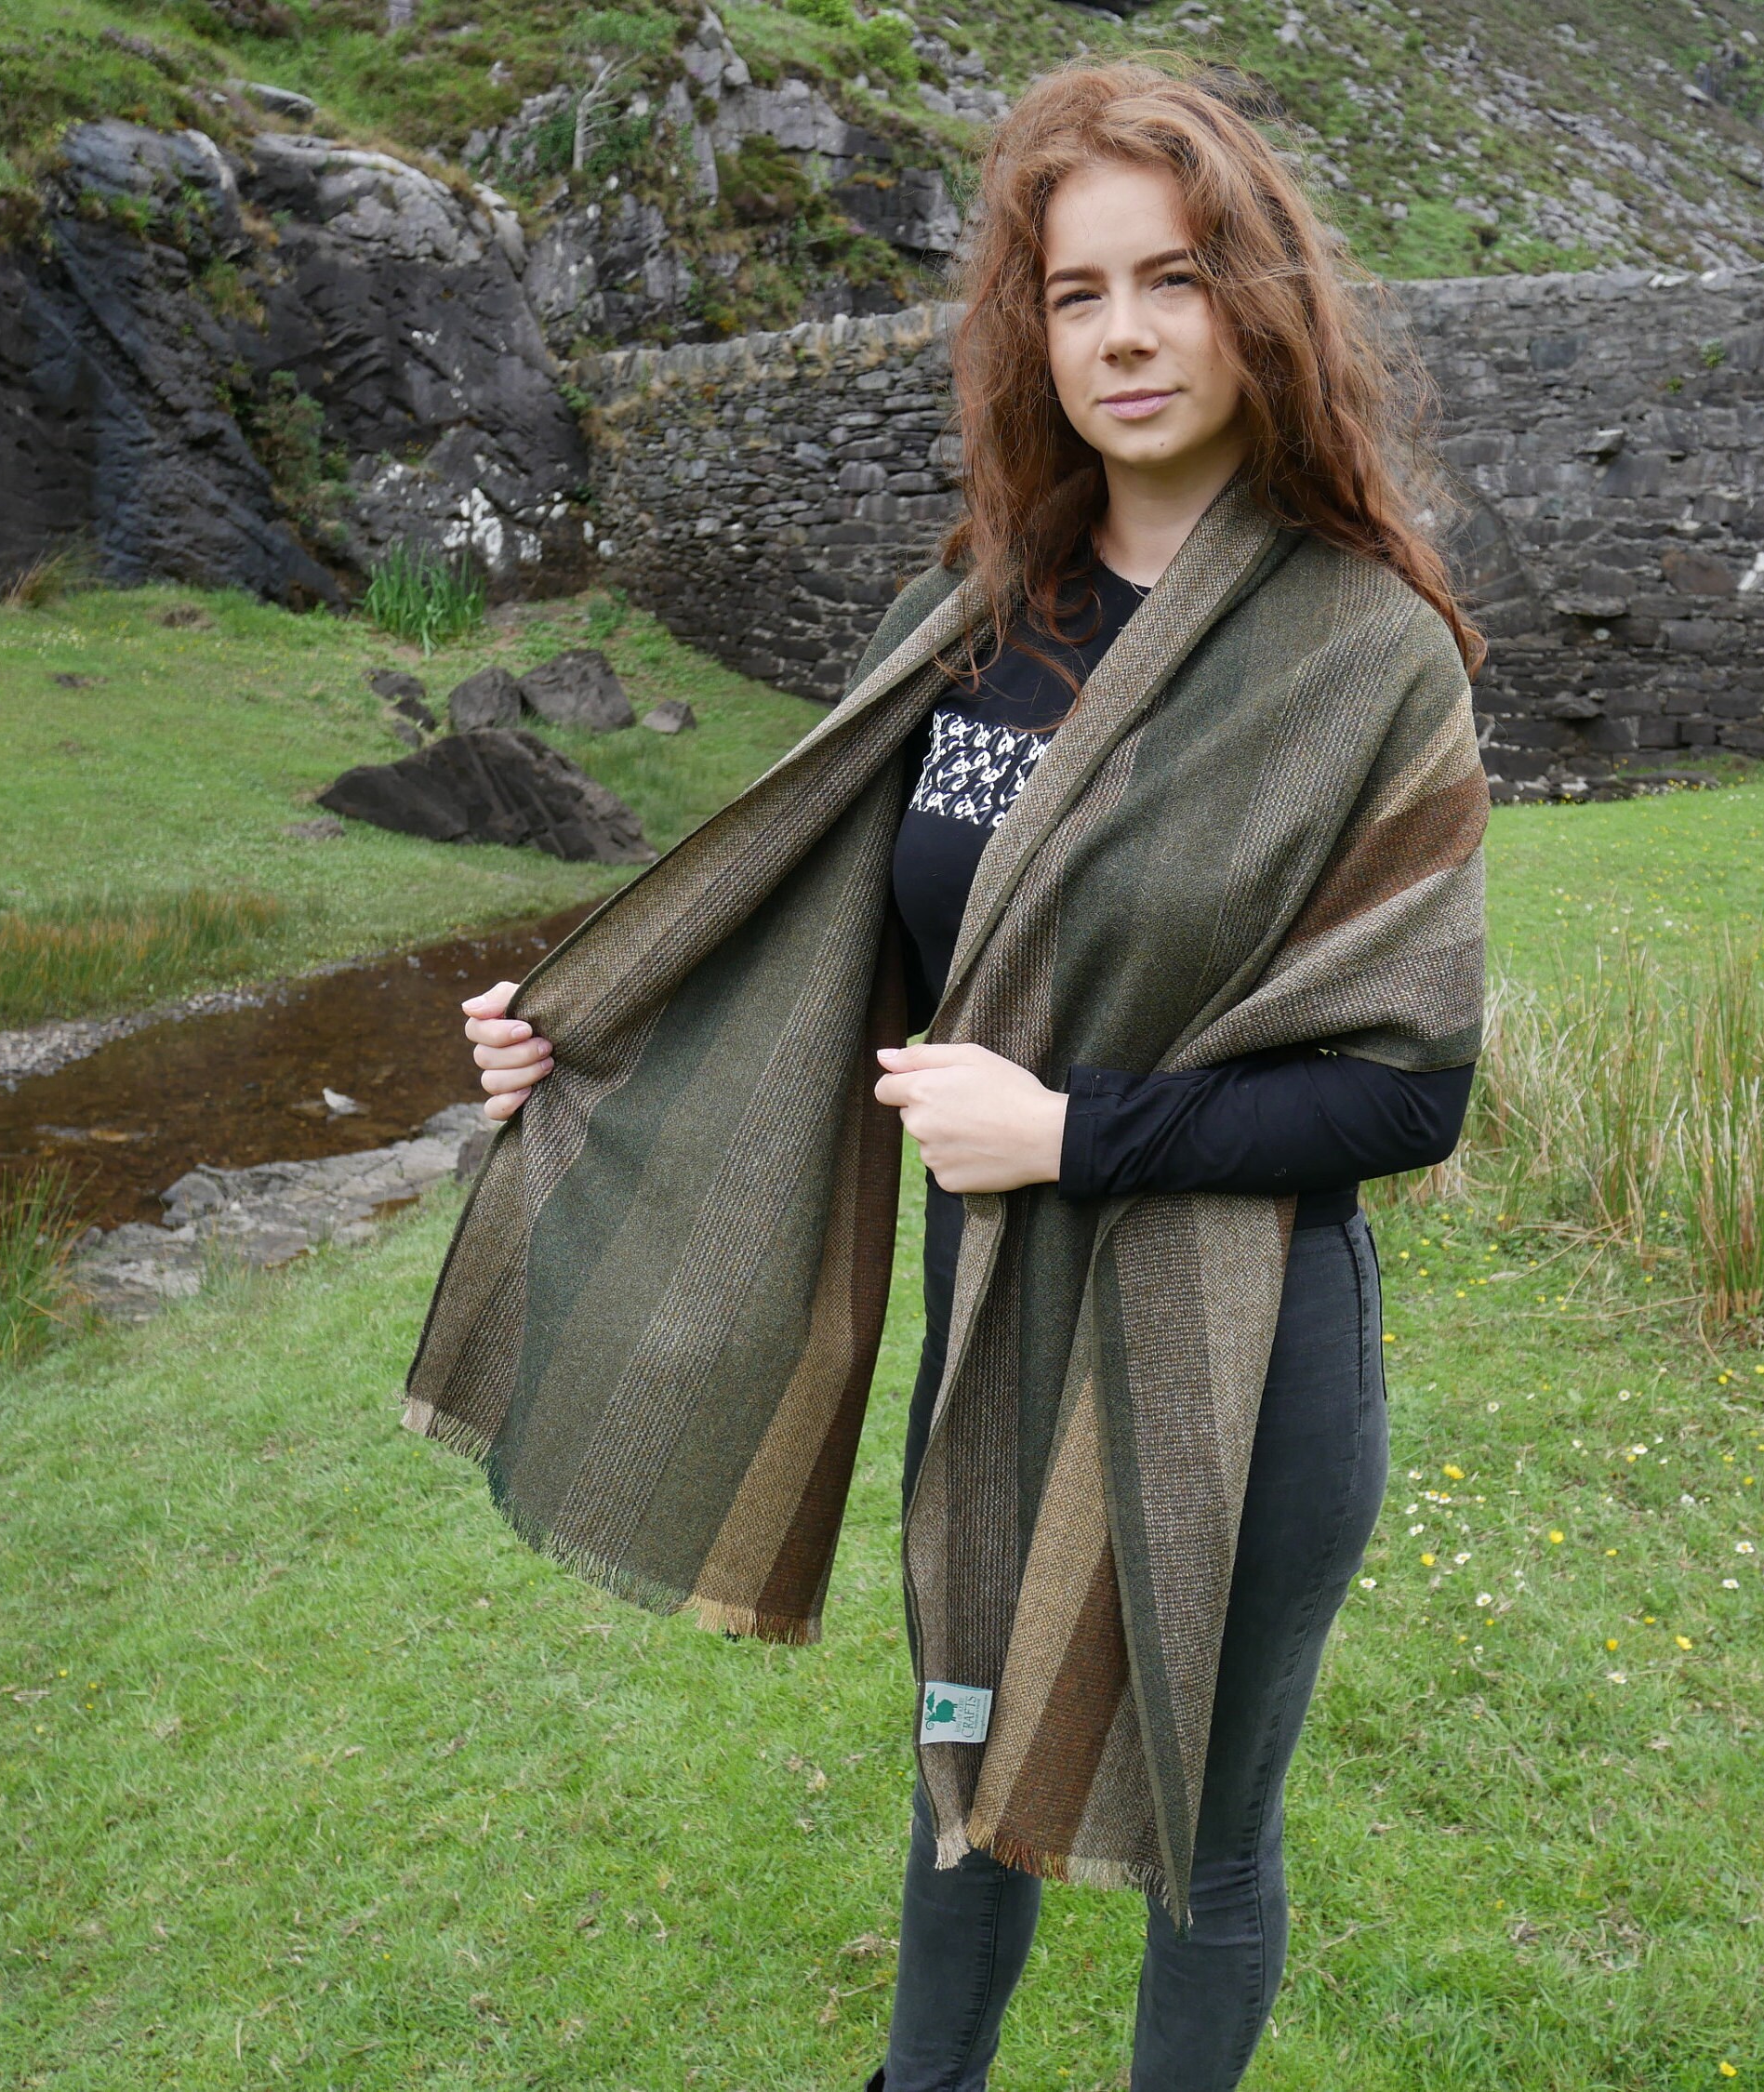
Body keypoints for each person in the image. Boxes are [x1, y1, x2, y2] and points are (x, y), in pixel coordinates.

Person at [436, 54, 1488, 2092]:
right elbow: (839, 937)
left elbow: (1407, 1085)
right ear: (1033, 329)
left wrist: (1076, 1130)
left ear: (1253, 297)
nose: (1125, 334)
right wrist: (584, 1038)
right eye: (1075, 292)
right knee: (961, 1765)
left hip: (1254, 1359)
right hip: (990, 1332)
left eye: (1170, 278)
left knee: (1206, 1830)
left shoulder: (1369, 652)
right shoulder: (980, 613)